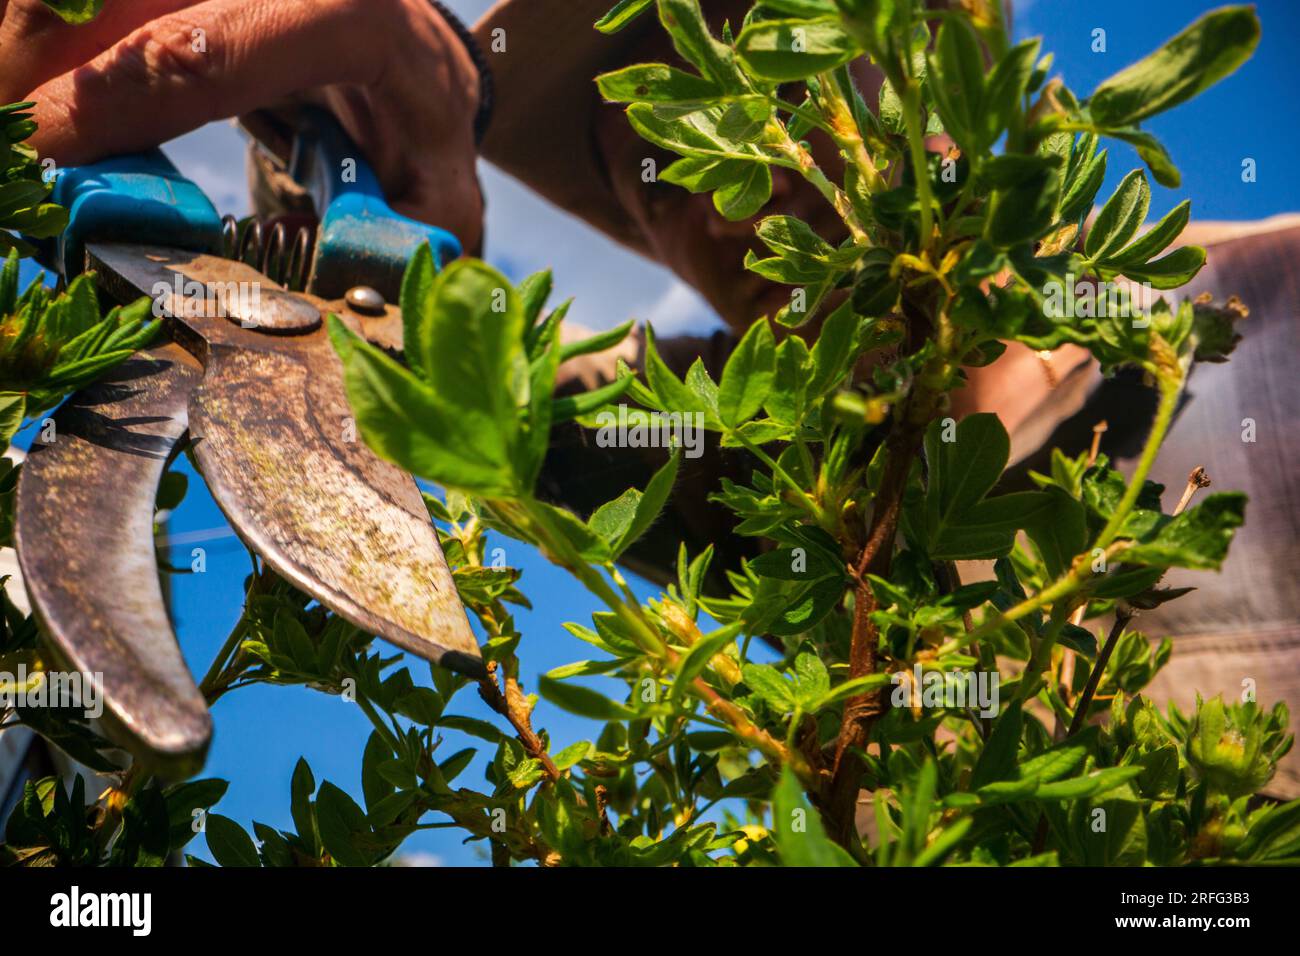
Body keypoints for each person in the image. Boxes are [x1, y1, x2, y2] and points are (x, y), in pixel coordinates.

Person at [4, 0, 1298, 797]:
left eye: (770, 98)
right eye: (656, 172)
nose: (722, 201)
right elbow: (381, 360)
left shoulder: (1274, 317)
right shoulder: (697, 440)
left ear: (925, 79)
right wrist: (307, 166)